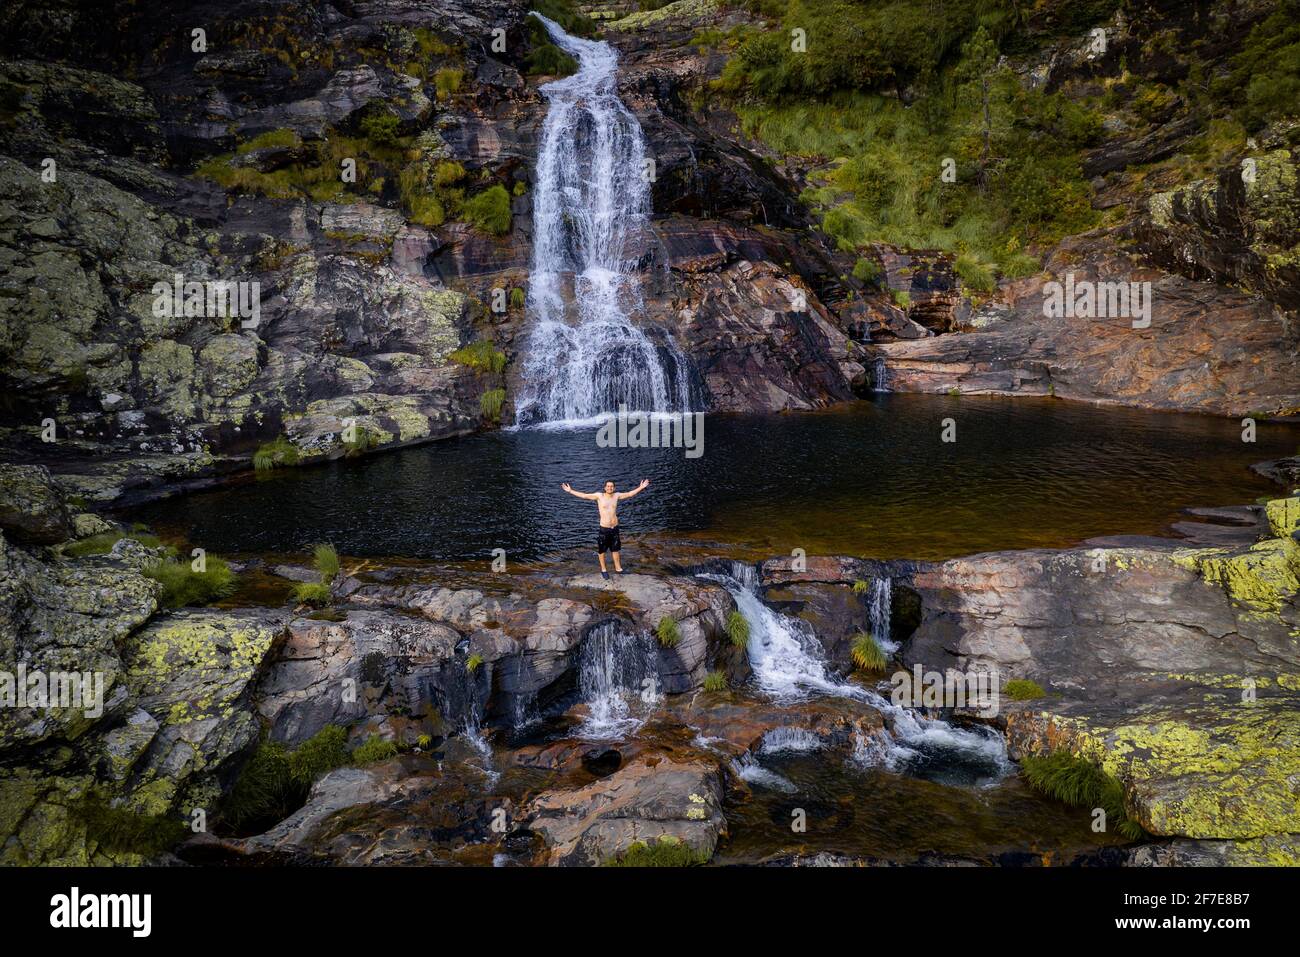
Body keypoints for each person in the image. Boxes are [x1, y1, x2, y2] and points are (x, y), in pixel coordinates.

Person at [561, 478, 650, 579]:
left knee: (615, 549)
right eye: (608, 486)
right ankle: (604, 569)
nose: (609, 488)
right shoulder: (599, 496)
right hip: (604, 528)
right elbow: (584, 495)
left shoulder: (616, 496)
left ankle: (618, 568)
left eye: (611, 486)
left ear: (614, 488)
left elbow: (630, 494)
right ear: (605, 488)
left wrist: (641, 487)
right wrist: (570, 491)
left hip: (615, 528)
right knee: (602, 550)